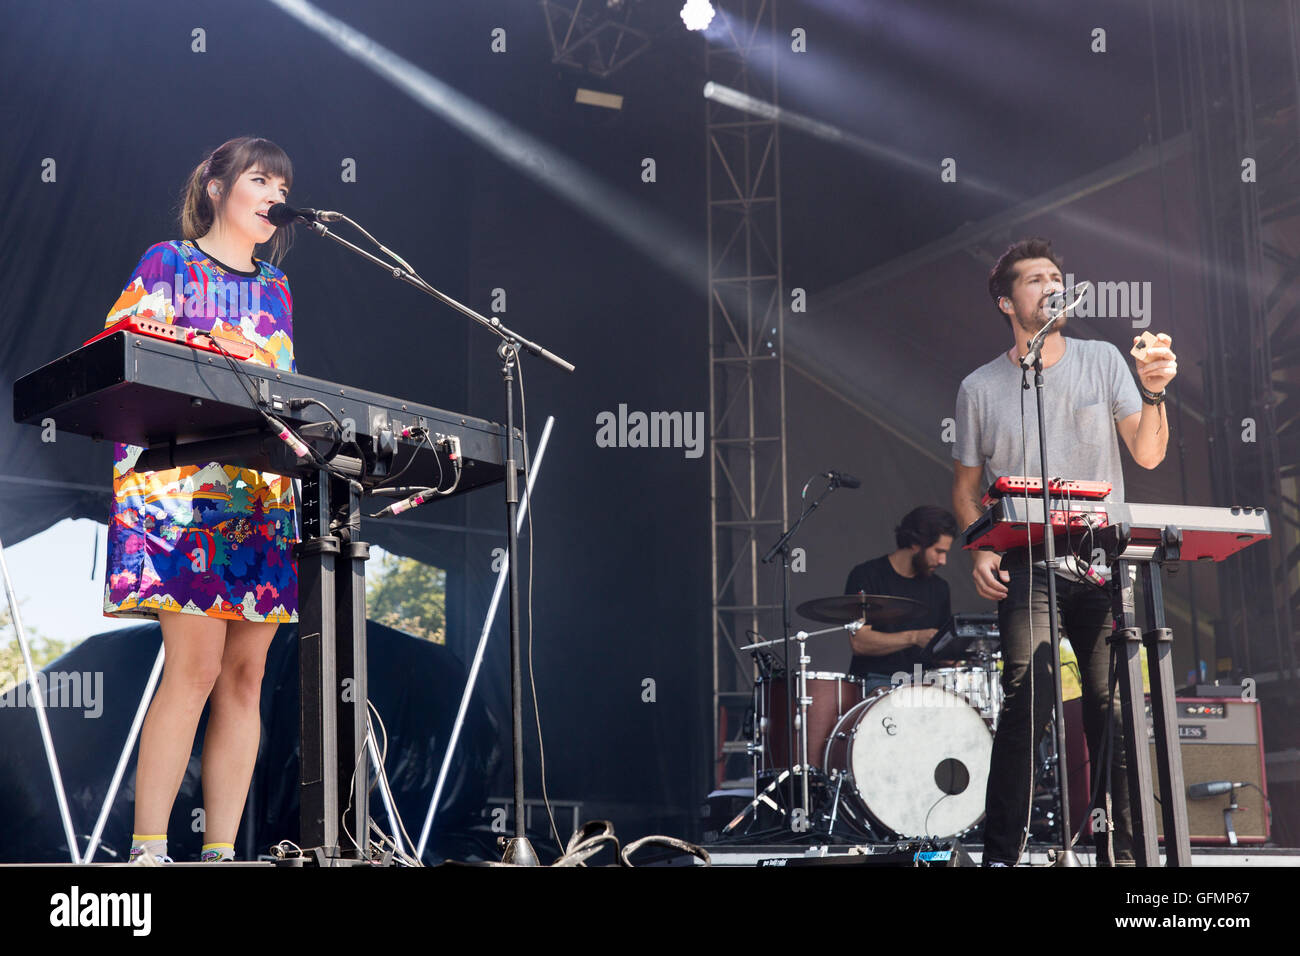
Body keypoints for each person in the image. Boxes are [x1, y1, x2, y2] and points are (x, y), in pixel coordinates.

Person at [102, 136, 299, 864]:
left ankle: (221, 852)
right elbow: (116, 359)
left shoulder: (278, 289)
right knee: (195, 667)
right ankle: (149, 852)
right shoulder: (168, 263)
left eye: (282, 182)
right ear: (217, 188)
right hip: (184, 493)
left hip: (260, 493)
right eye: (260, 178)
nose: (276, 193)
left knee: (247, 676)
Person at [950, 237, 1177, 866]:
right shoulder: (979, 387)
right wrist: (978, 549)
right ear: (1006, 300)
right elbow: (966, 490)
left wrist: (1154, 391)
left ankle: (1127, 858)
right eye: (1034, 278)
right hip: (1029, 567)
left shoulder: (1103, 360)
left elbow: (1149, 453)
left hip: (1103, 562)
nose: (1050, 284)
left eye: (1056, 275)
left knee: (1116, 710)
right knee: (1027, 701)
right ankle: (1003, 855)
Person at [843, 505, 956, 691]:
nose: (943, 561)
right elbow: (860, 642)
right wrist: (914, 637)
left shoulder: (940, 587)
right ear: (916, 544)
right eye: (938, 551)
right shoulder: (866, 576)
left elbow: (941, 651)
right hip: (877, 680)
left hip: (926, 683)